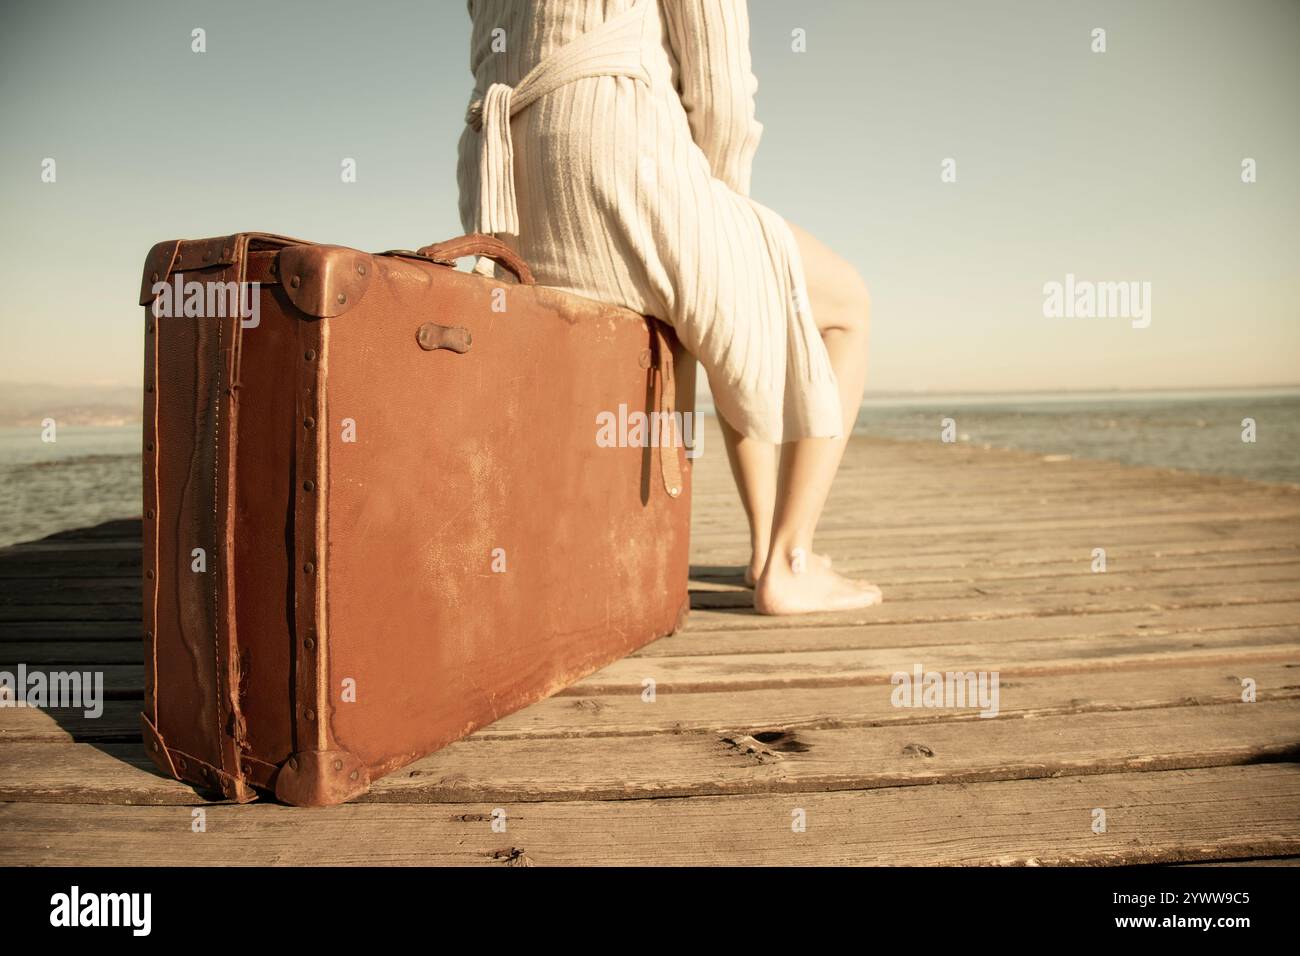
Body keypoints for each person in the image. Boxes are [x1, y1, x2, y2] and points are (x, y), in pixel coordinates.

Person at [457, 0, 882, 614]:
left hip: (505, 184)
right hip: (613, 153)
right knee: (845, 304)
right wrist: (725, 205)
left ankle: (763, 551)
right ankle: (790, 560)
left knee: (722, 299)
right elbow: (721, 89)